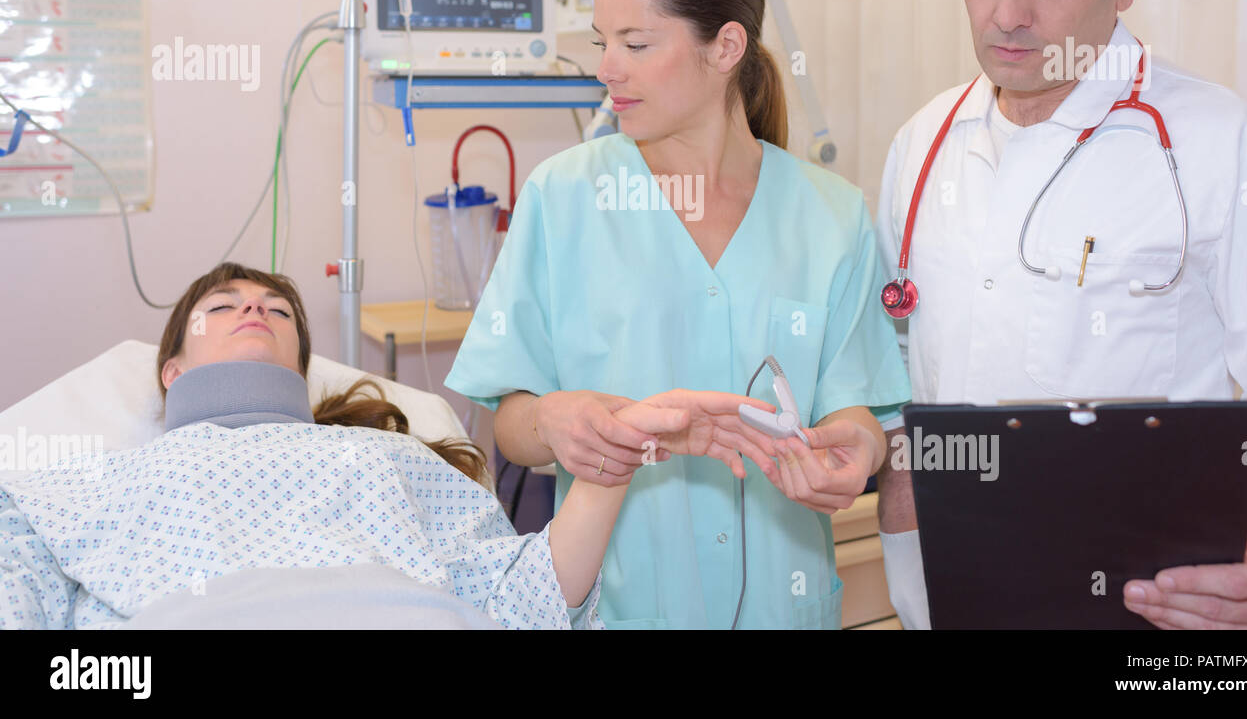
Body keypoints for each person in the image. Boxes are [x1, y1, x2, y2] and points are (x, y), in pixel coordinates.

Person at [874, 0, 1247, 629]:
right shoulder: (923, 143)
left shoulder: (1224, 144)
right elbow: (904, 375)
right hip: (945, 600)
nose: (1008, 13)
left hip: (1151, 614)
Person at [445, 0, 910, 629]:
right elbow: (509, 422)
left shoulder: (830, 214)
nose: (607, 67)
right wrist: (551, 419)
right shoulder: (563, 197)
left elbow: (854, 403)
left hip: (783, 607)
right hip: (621, 605)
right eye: (602, 42)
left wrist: (859, 446)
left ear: (725, 46)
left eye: (635, 44)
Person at [0, 262, 776, 629]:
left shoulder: (390, 457)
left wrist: (613, 463)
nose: (254, 309)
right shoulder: (87, 485)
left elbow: (525, 601)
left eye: (276, 308)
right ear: (171, 369)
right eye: (224, 304)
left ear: (302, 372)